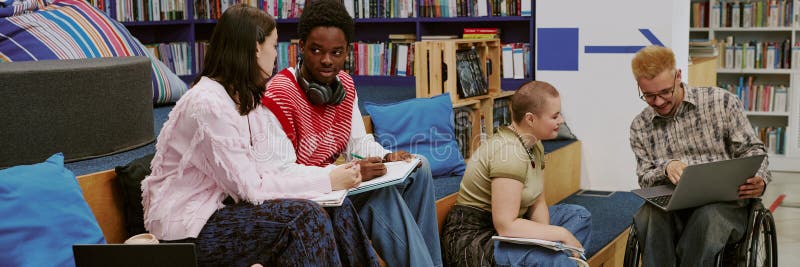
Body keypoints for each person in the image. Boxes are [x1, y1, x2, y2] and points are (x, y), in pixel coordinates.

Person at [140, 5, 379, 266]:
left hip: (224, 209)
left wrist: (331, 179)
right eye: (274, 46)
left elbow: (272, 169)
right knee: (303, 217)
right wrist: (328, 179)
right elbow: (250, 188)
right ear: (256, 48)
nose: (276, 56)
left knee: (338, 206)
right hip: (187, 229)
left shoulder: (247, 98)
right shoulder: (207, 103)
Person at [260, 0, 442, 266]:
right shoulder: (278, 95)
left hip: (337, 187)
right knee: (381, 198)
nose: (327, 60)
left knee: (420, 167)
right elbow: (281, 173)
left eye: (336, 52)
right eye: (316, 50)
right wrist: (348, 173)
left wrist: (387, 156)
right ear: (301, 47)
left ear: (347, 52)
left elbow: (357, 143)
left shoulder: (343, 85)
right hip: (306, 198)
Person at [629, 45, 770, 266]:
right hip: (672, 204)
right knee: (648, 215)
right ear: (639, 87)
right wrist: (666, 168)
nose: (659, 102)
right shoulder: (640, 126)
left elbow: (753, 149)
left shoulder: (721, 102)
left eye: (665, 92)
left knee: (707, 218)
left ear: (678, 76)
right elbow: (644, 178)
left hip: (723, 204)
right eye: (649, 95)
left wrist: (760, 179)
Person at [441, 81, 592, 267]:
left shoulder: (534, 144)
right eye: (555, 116)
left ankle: (561, 261)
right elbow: (506, 226)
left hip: (511, 224)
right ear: (530, 119)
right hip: (477, 237)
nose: (561, 120)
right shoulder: (510, 152)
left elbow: (537, 202)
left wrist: (548, 241)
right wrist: (561, 234)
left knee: (579, 216)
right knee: (555, 258)